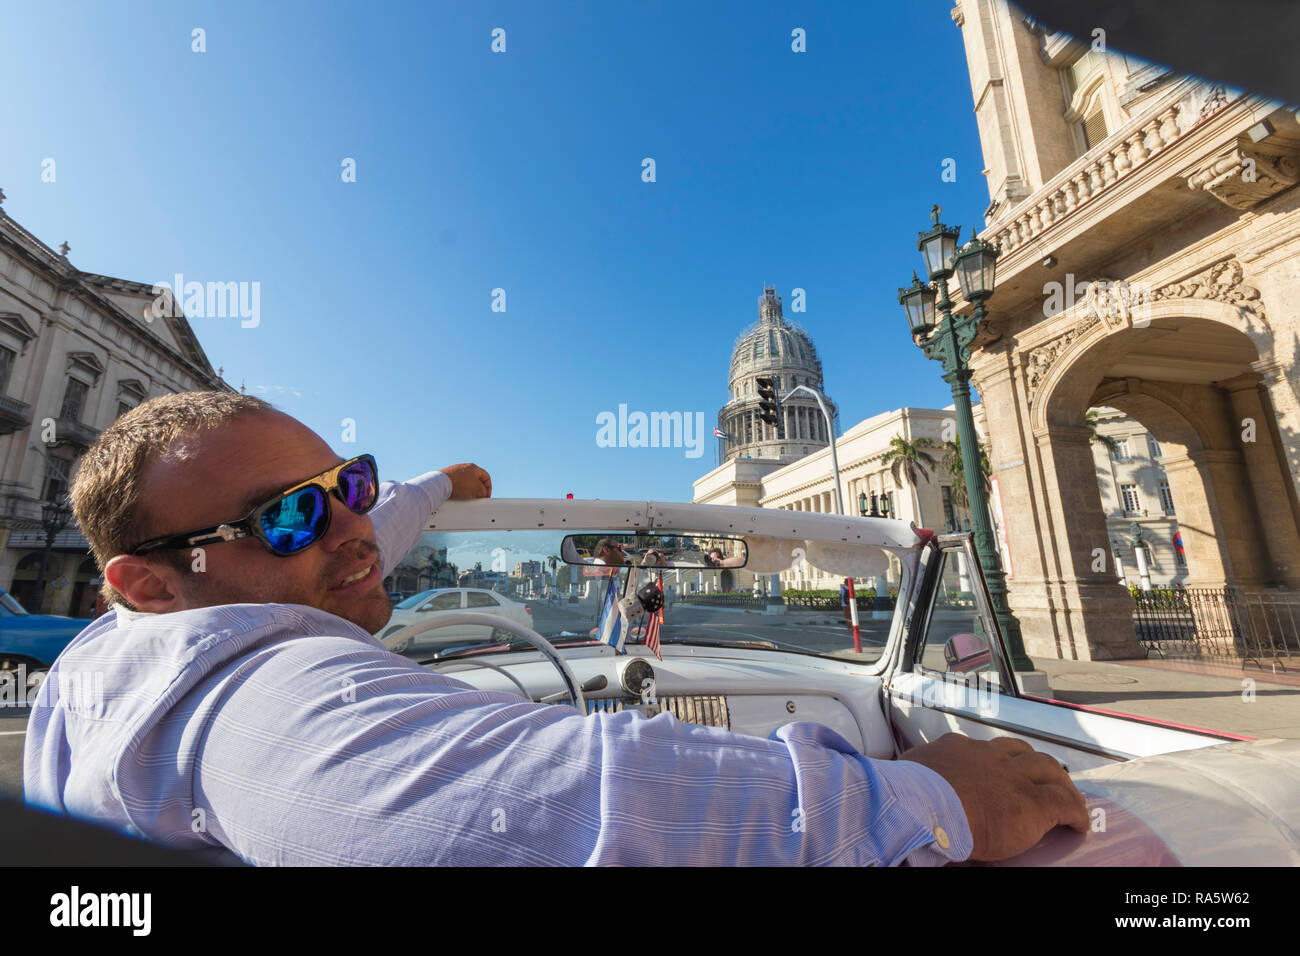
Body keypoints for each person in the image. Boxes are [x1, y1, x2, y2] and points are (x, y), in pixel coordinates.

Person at [25, 391, 1087, 866]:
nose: (349, 525)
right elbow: (591, 807)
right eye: (290, 513)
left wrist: (431, 487)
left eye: (345, 481)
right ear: (150, 581)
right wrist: (933, 796)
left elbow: (358, 546)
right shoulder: (265, 704)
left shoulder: (118, 649)